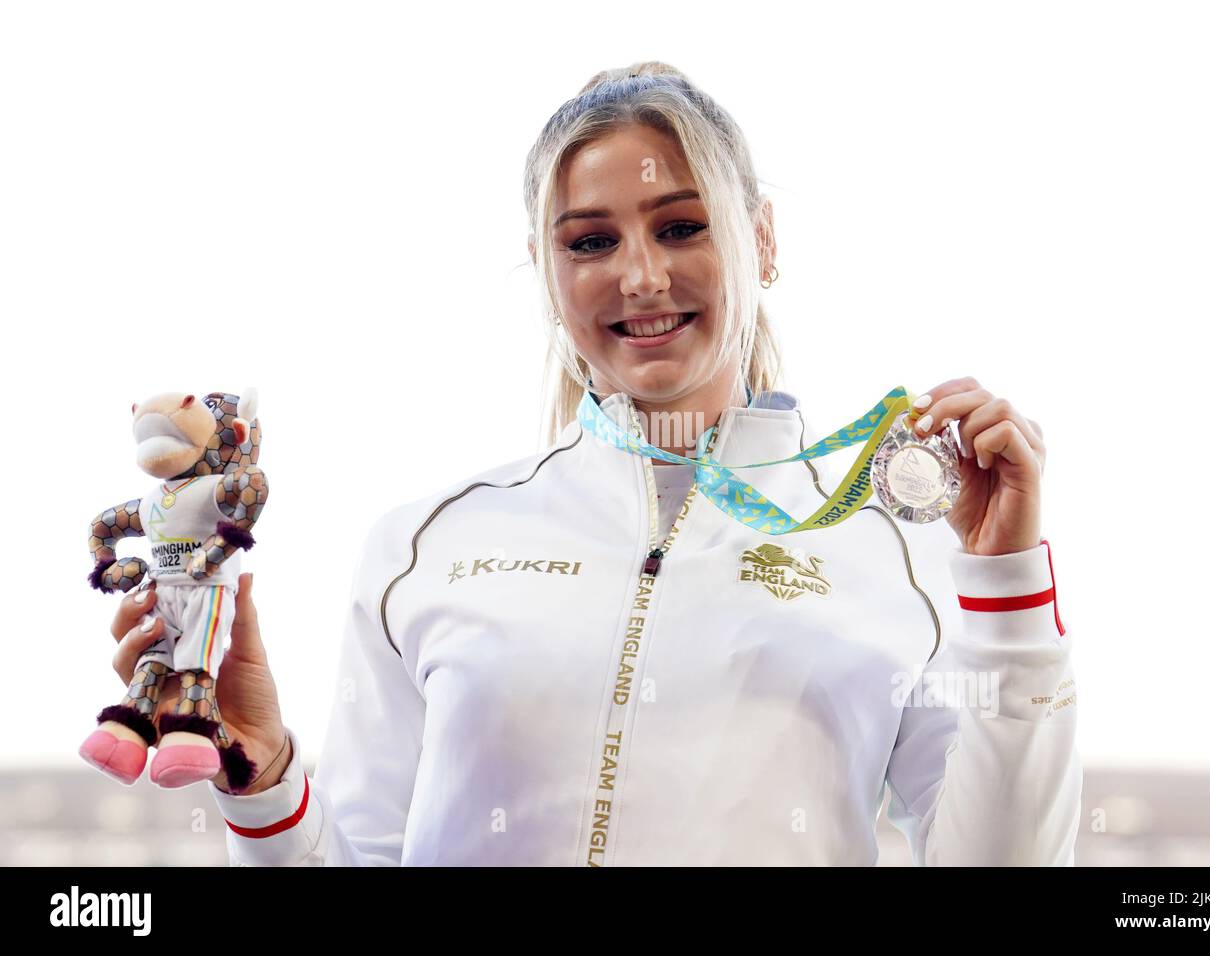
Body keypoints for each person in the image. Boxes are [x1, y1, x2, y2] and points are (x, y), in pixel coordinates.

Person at [106, 61, 1080, 866]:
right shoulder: (426, 545)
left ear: (763, 239)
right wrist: (268, 773)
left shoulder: (895, 555)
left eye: (681, 226)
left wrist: (1007, 591)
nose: (642, 275)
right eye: (591, 241)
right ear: (547, 274)